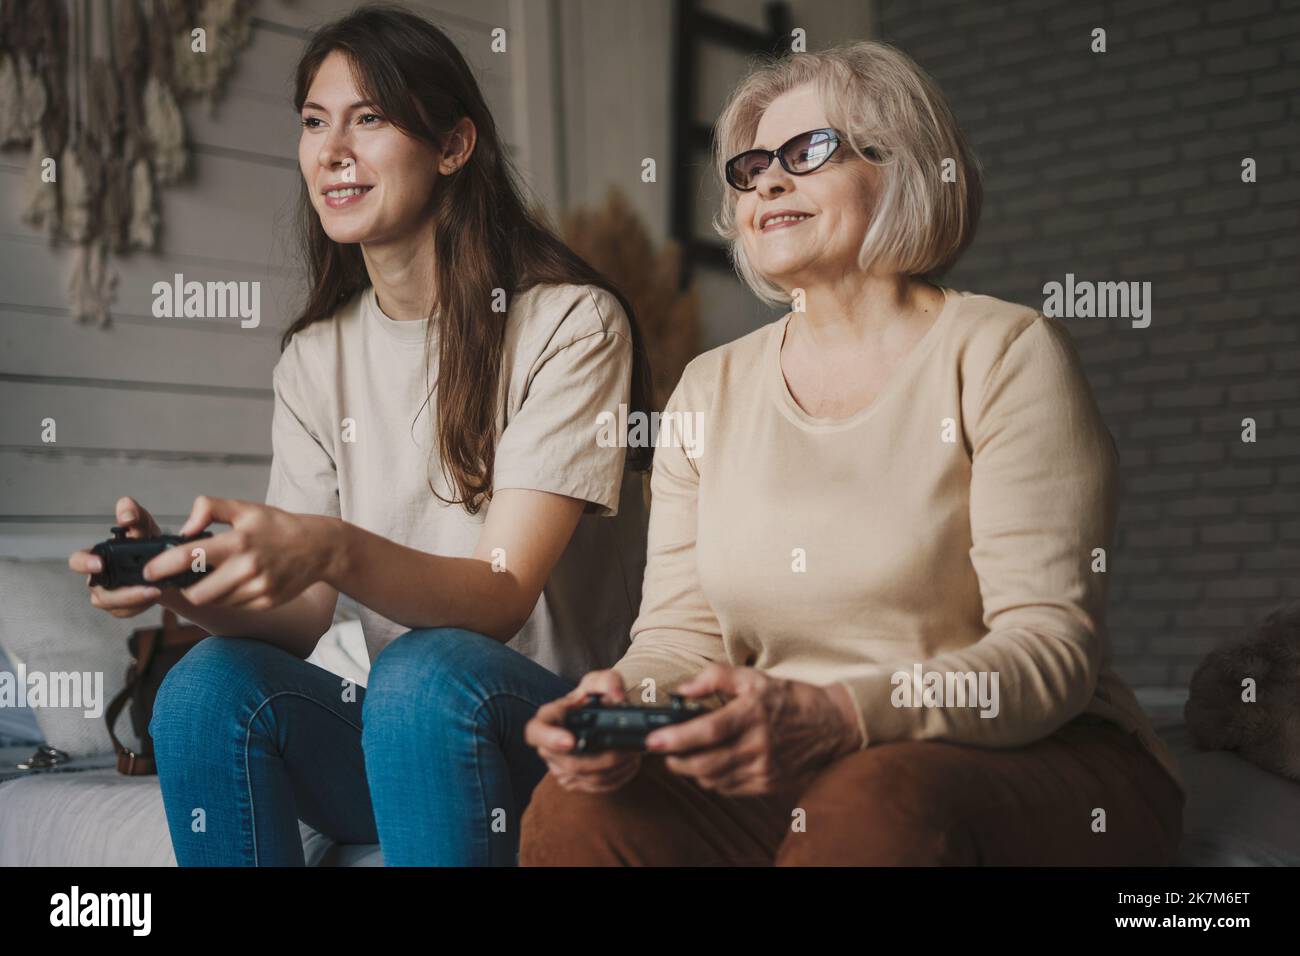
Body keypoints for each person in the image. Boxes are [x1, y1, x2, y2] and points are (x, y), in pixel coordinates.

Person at [519, 40, 1185, 866]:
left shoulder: (1007, 350)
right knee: (571, 810)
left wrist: (837, 713)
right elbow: (681, 637)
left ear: (903, 168)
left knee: (871, 802)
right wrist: (623, 699)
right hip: (802, 764)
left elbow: (1050, 651)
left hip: (1035, 755)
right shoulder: (707, 388)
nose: (767, 180)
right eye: (752, 164)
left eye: (810, 152)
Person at [67, 3, 651, 866]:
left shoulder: (572, 324)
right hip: (407, 737)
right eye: (314, 122)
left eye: (368, 118)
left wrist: (331, 547)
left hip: (553, 736)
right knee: (202, 688)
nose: (331, 150)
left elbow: (502, 595)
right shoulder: (314, 356)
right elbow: (299, 619)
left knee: (419, 673)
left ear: (454, 146)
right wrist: (178, 581)